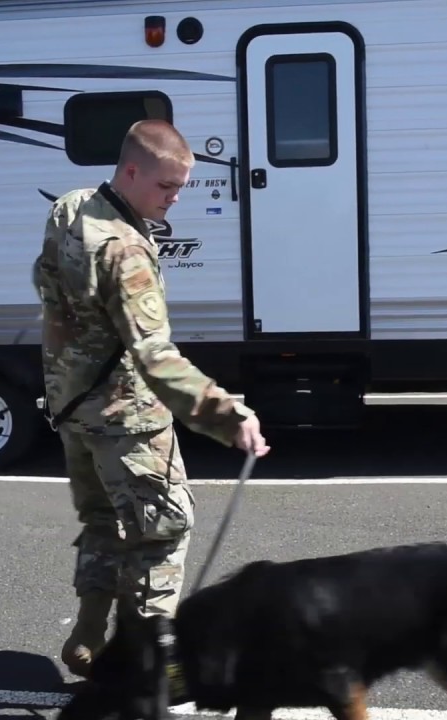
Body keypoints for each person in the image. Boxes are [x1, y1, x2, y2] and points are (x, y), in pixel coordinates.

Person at [32, 118, 270, 678]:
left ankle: (89, 634)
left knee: (102, 523)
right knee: (162, 531)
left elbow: (49, 291)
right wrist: (226, 415)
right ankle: (145, 665)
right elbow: (155, 356)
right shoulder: (126, 250)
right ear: (131, 171)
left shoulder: (71, 207)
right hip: (127, 420)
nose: (176, 198)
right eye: (167, 186)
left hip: (72, 408)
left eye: (182, 186)